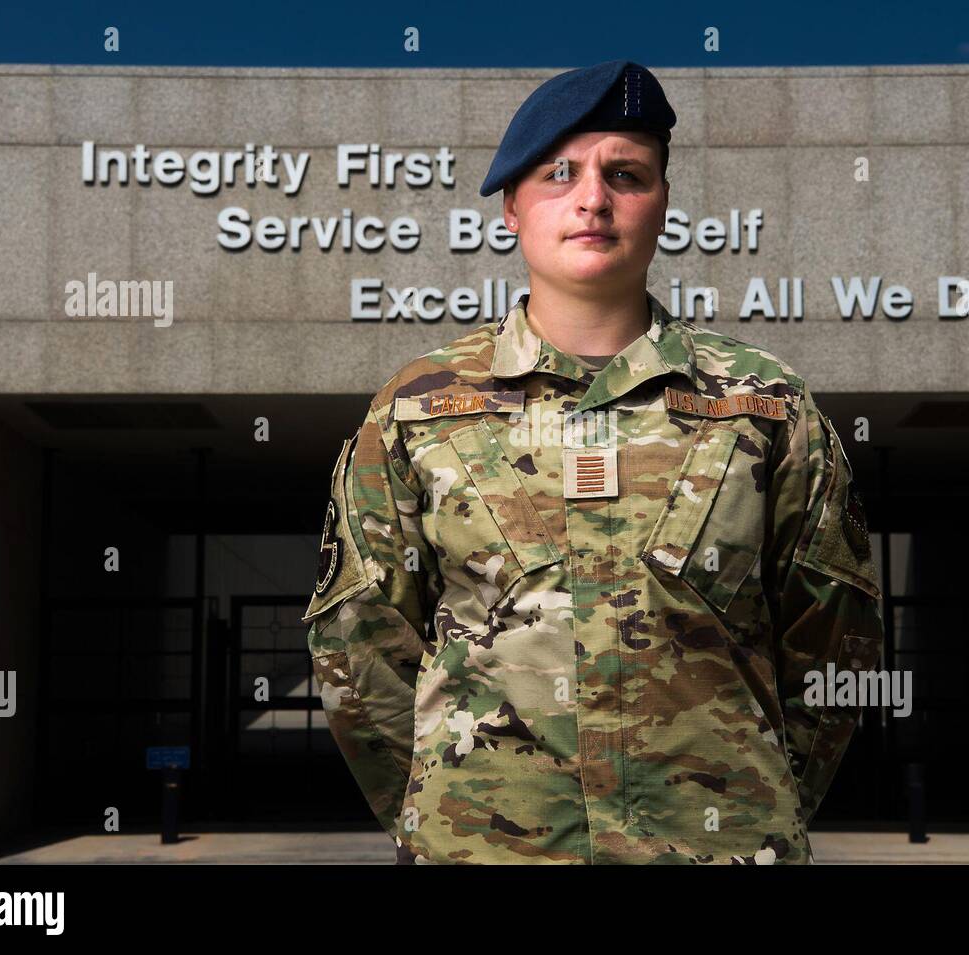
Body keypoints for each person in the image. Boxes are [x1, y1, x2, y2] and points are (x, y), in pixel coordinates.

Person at [303, 59, 885, 864]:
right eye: (560, 173)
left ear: (663, 203)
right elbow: (360, 644)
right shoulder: (418, 409)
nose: (593, 199)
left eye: (626, 174)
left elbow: (835, 642)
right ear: (511, 206)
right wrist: (449, 813)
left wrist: (752, 799)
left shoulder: (766, 406)